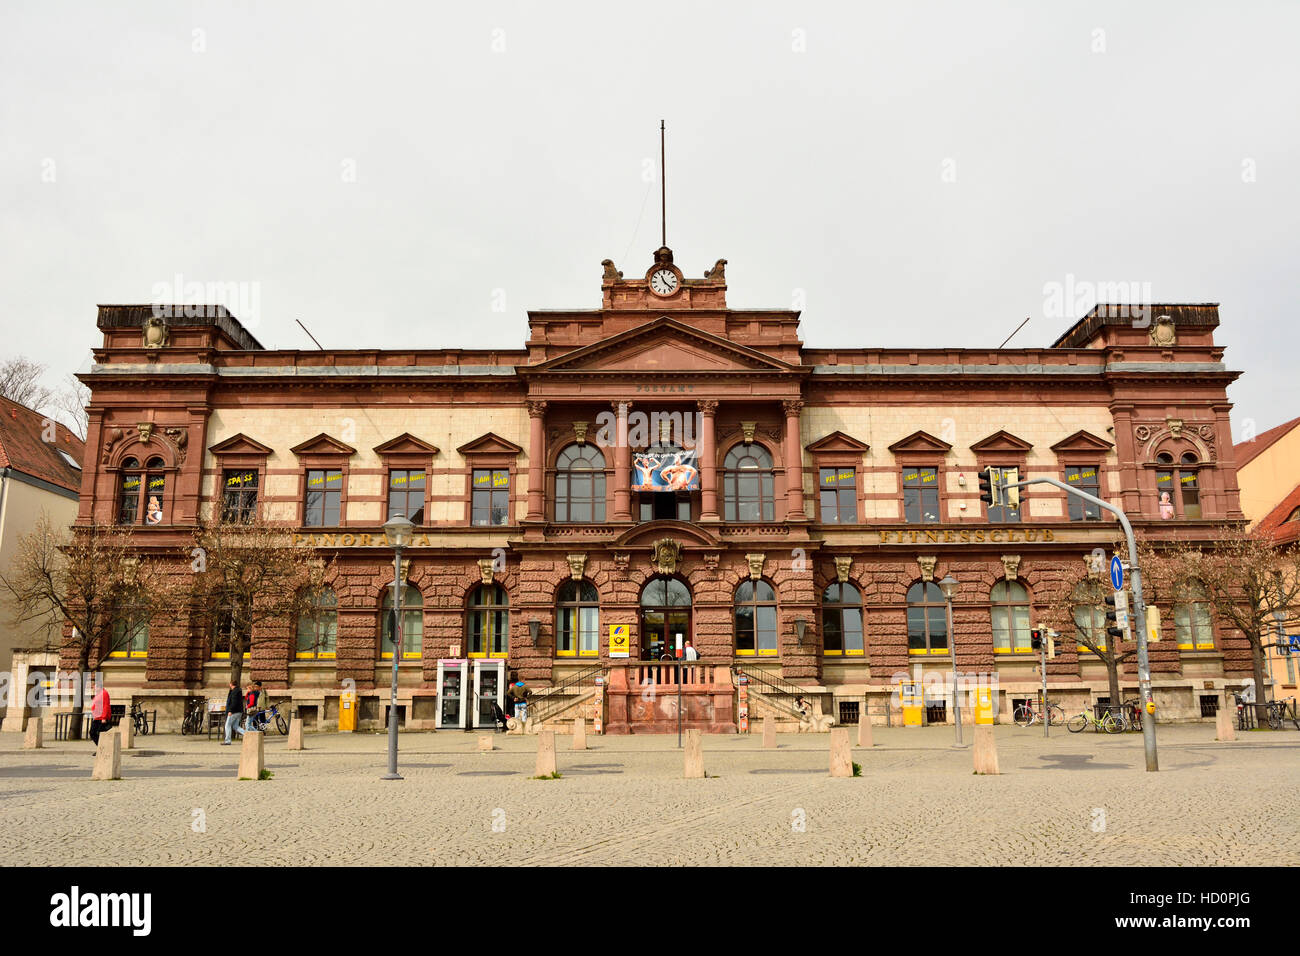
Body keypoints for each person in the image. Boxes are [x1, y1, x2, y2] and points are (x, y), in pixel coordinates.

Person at [223, 680, 246, 745]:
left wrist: (230, 710)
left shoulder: (234, 692)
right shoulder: (238, 691)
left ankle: (227, 741)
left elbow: (234, 702)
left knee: (227, 725)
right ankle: (247, 735)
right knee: (235, 726)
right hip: (239, 711)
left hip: (234, 711)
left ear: (231, 684)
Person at [88, 681, 111, 745]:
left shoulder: (104, 693)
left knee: (95, 733)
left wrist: (104, 717)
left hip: (101, 718)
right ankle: (101, 748)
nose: (93, 688)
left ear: (99, 687)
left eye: (94, 687)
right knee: (93, 733)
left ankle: (102, 748)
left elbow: (106, 705)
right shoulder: (99, 693)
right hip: (97, 717)